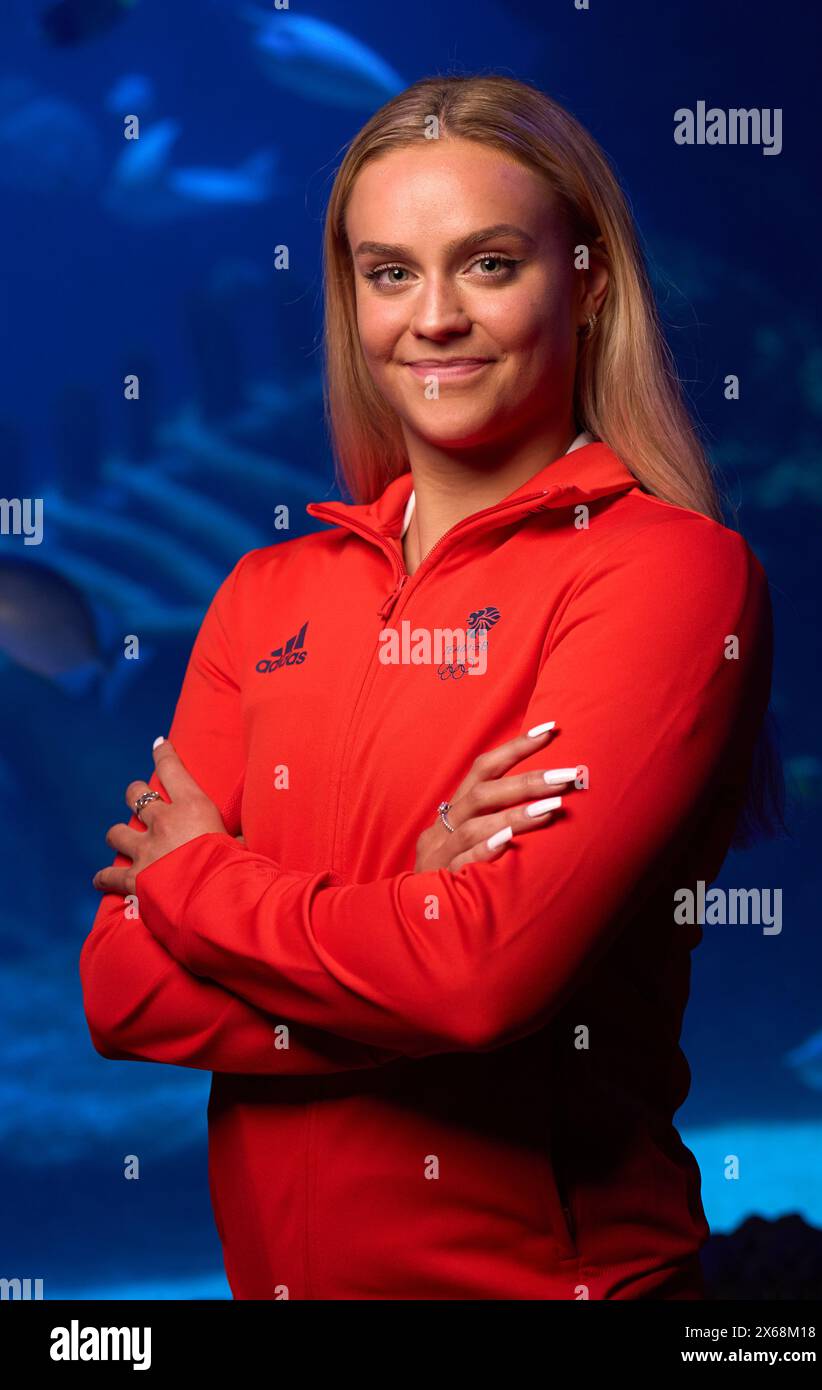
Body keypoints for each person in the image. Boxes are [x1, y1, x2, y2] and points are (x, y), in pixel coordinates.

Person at [82, 73, 777, 1300]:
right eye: (388, 271)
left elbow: (479, 982)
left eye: (490, 264)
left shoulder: (669, 575)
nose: (434, 317)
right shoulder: (266, 592)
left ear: (588, 278)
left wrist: (198, 883)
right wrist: (410, 916)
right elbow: (124, 987)